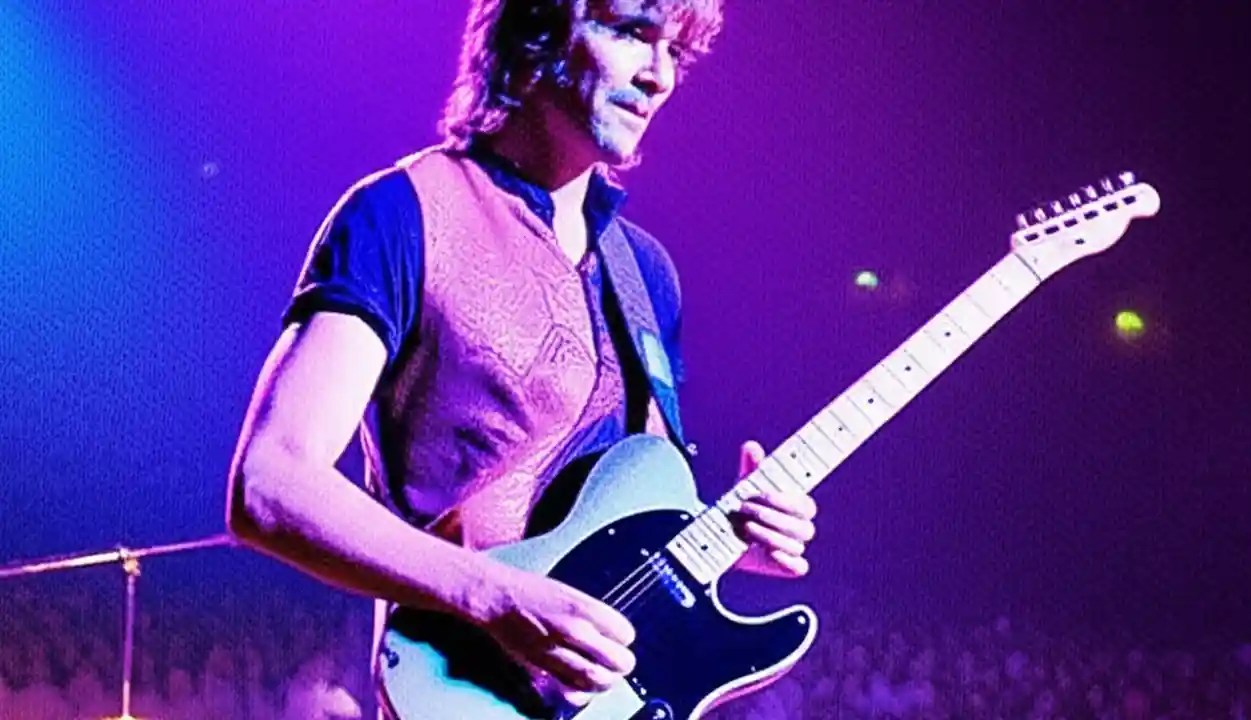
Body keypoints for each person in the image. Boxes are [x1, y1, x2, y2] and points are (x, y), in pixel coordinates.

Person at [225, 0, 818, 712]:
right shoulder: (401, 214)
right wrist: (493, 595)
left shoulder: (647, 272)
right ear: (539, 26)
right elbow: (269, 481)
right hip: (462, 692)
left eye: (677, 52)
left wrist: (732, 541)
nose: (659, 75)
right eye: (632, 32)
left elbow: (629, 513)